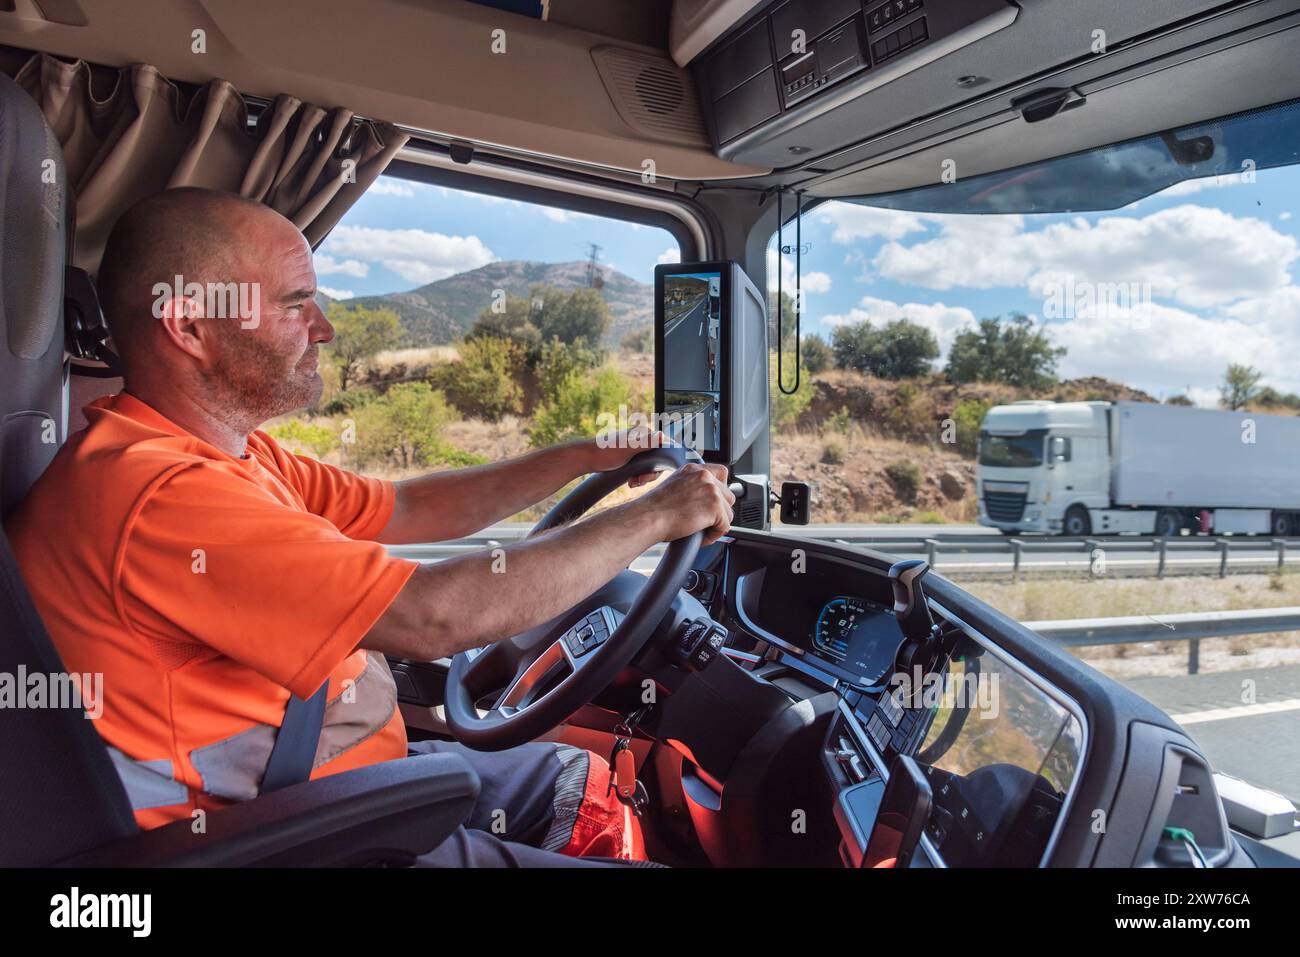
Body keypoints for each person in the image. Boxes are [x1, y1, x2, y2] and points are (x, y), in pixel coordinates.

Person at [6, 187, 735, 866]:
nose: (323, 327)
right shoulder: (159, 494)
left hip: (348, 785)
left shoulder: (227, 450)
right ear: (190, 326)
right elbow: (435, 615)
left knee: (578, 776)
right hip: (299, 835)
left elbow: (409, 508)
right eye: (297, 304)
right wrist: (658, 516)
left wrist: (579, 457)